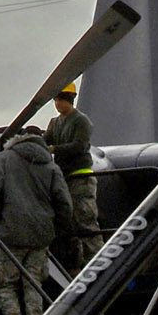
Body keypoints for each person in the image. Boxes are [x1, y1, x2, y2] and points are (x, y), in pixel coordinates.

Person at [0, 128, 65, 315]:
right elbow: (64, 202)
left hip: (11, 234)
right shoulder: (51, 165)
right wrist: (56, 230)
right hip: (40, 235)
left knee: (4, 281)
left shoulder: (3, 159)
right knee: (33, 281)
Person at [45, 84, 98, 273]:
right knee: (68, 223)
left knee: (84, 220)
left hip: (80, 177)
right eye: (56, 99)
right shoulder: (55, 122)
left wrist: (55, 149)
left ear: (70, 99)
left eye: (61, 99)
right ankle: (75, 263)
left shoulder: (81, 121)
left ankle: (97, 260)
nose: (57, 103)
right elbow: (46, 139)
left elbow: (80, 145)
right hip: (64, 179)